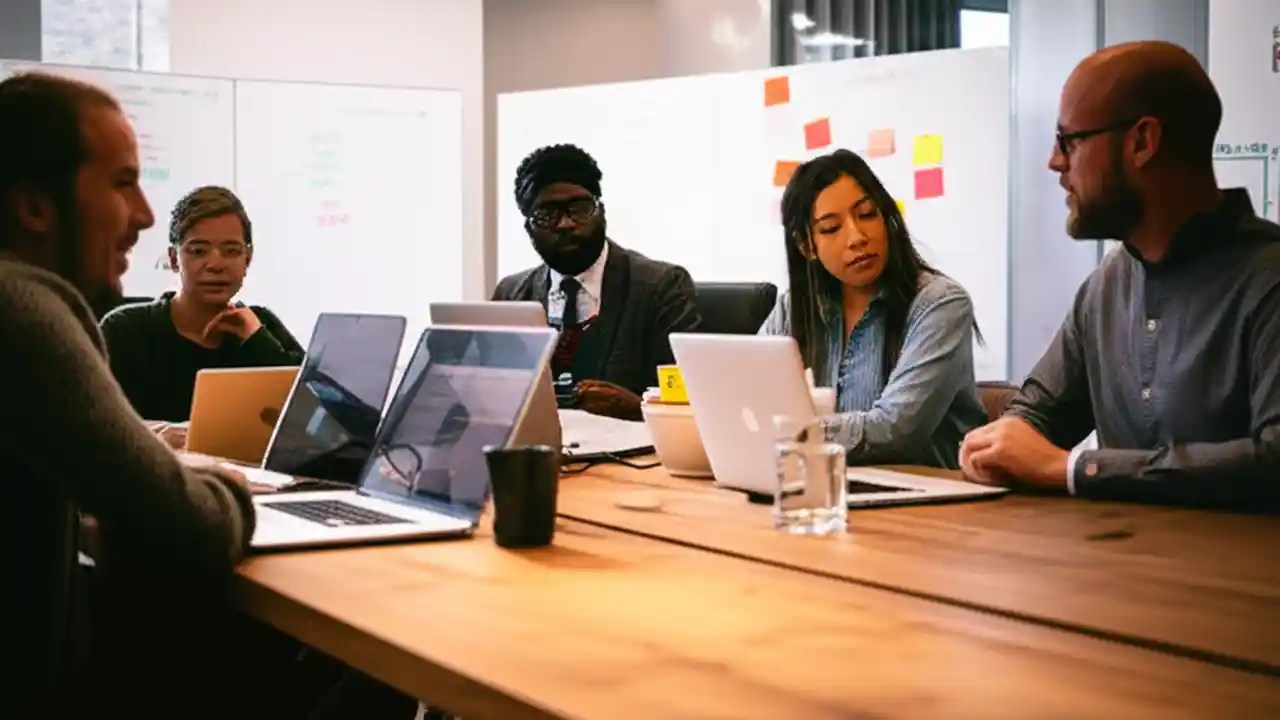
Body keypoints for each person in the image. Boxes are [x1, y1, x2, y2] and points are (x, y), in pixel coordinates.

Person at [0, 71, 254, 715]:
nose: (143, 214)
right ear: (35, 206)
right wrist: (226, 484)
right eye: (121, 182)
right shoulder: (20, 311)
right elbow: (186, 526)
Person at [959, 41, 1280, 511]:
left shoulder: (1268, 279)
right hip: (1117, 569)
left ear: (1143, 142)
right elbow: (1037, 416)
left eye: (1069, 140)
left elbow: (1274, 461)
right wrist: (1000, 445)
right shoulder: (1107, 285)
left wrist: (1075, 468)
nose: (1055, 161)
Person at [760, 149, 986, 467]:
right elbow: (751, 401)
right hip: (825, 489)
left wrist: (789, 433)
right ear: (806, 246)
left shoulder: (940, 305)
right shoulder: (792, 309)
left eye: (866, 214)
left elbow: (895, 430)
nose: (857, 237)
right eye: (831, 228)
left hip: (927, 502)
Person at [493, 143, 701, 421]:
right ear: (528, 228)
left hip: (633, 455)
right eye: (547, 214)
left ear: (601, 210)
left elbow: (687, 406)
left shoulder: (661, 287)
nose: (565, 224)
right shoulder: (512, 295)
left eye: (578, 208)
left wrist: (638, 408)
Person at [100, 185, 304, 424]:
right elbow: (98, 422)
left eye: (231, 251)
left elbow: (314, 414)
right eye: (198, 251)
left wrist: (257, 340)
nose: (216, 264)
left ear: (247, 259)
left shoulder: (261, 325)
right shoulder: (126, 330)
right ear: (174, 259)